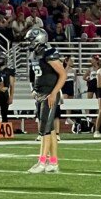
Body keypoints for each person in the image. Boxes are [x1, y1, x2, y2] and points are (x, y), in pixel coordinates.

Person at [26, 27, 67, 174]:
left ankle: (42, 161)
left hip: (49, 94)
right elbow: (33, 75)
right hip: (40, 93)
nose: (29, 43)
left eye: (31, 40)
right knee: (50, 129)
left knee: (44, 129)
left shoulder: (49, 53)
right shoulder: (34, 54)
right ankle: (54, 162)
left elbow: (63, 74)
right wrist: (33, 89)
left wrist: (54, 93)